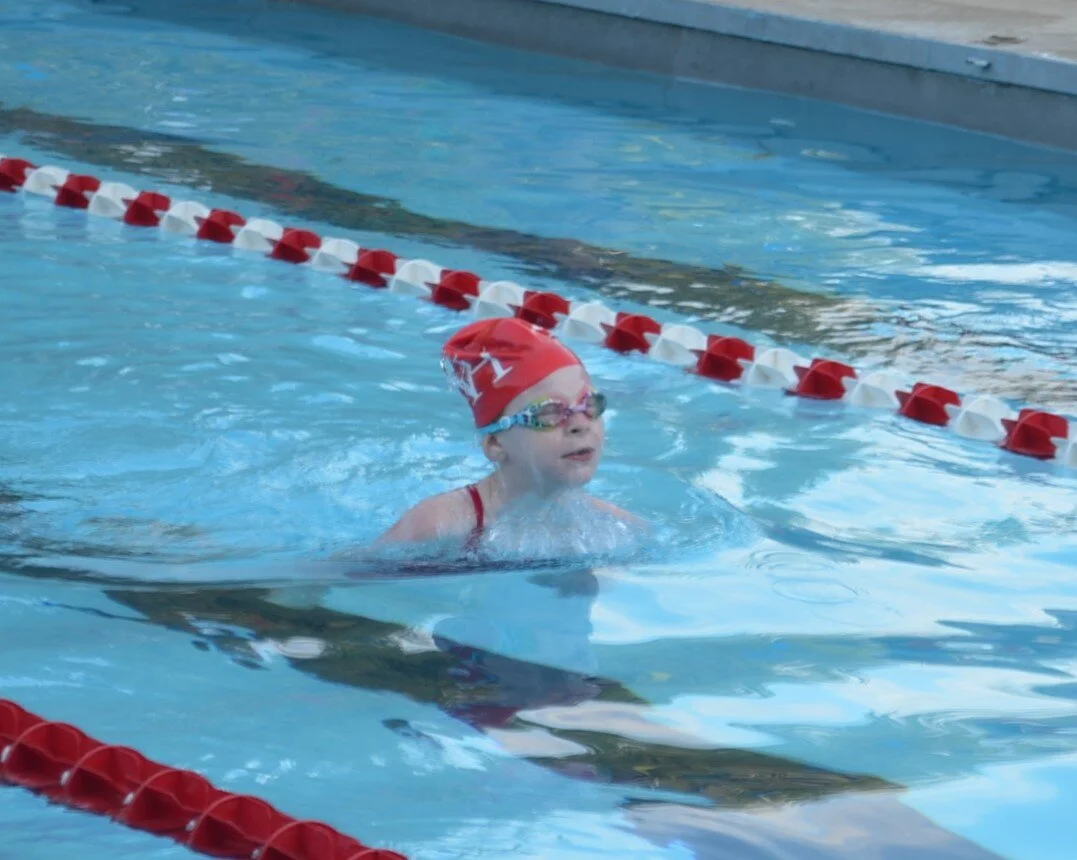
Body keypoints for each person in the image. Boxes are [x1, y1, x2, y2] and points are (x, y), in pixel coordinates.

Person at [378, 317, 643, 550]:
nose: (580, 424)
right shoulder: (440, 524)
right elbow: (347, 578)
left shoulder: (620, 528)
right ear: (496, 443)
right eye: (550, 411)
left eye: (590, 404)